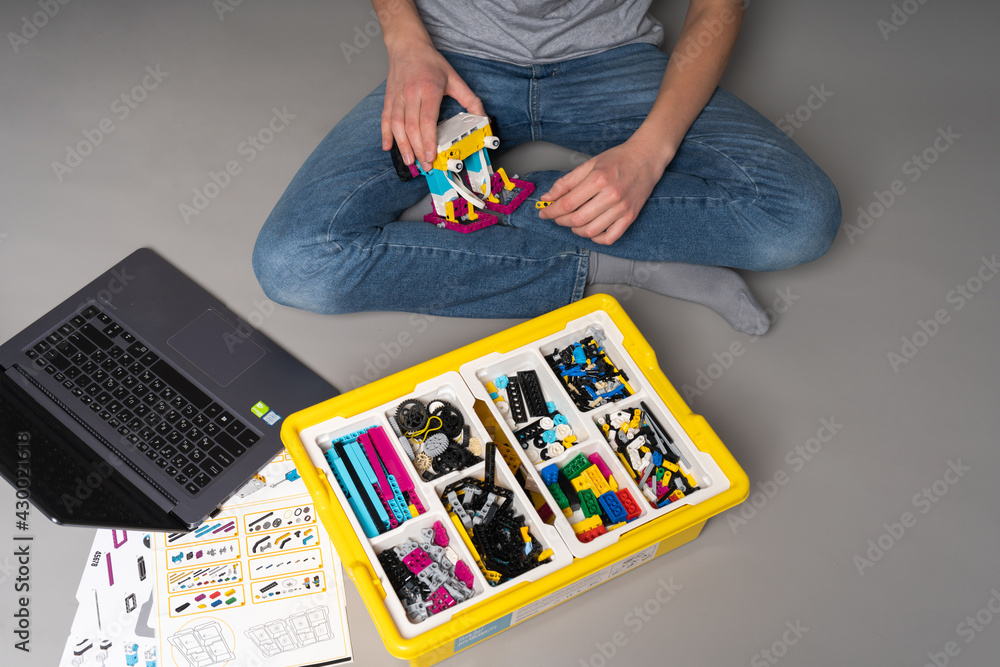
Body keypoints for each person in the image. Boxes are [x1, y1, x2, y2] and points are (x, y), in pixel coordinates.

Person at [252, 0, 841, 334]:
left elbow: (720, 6)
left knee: (800, 221)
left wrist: (648, 154)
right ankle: (614, 264)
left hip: (613, 63)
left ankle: (500, 200)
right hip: (456, 61)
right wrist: (405, 41)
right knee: (295, 263)